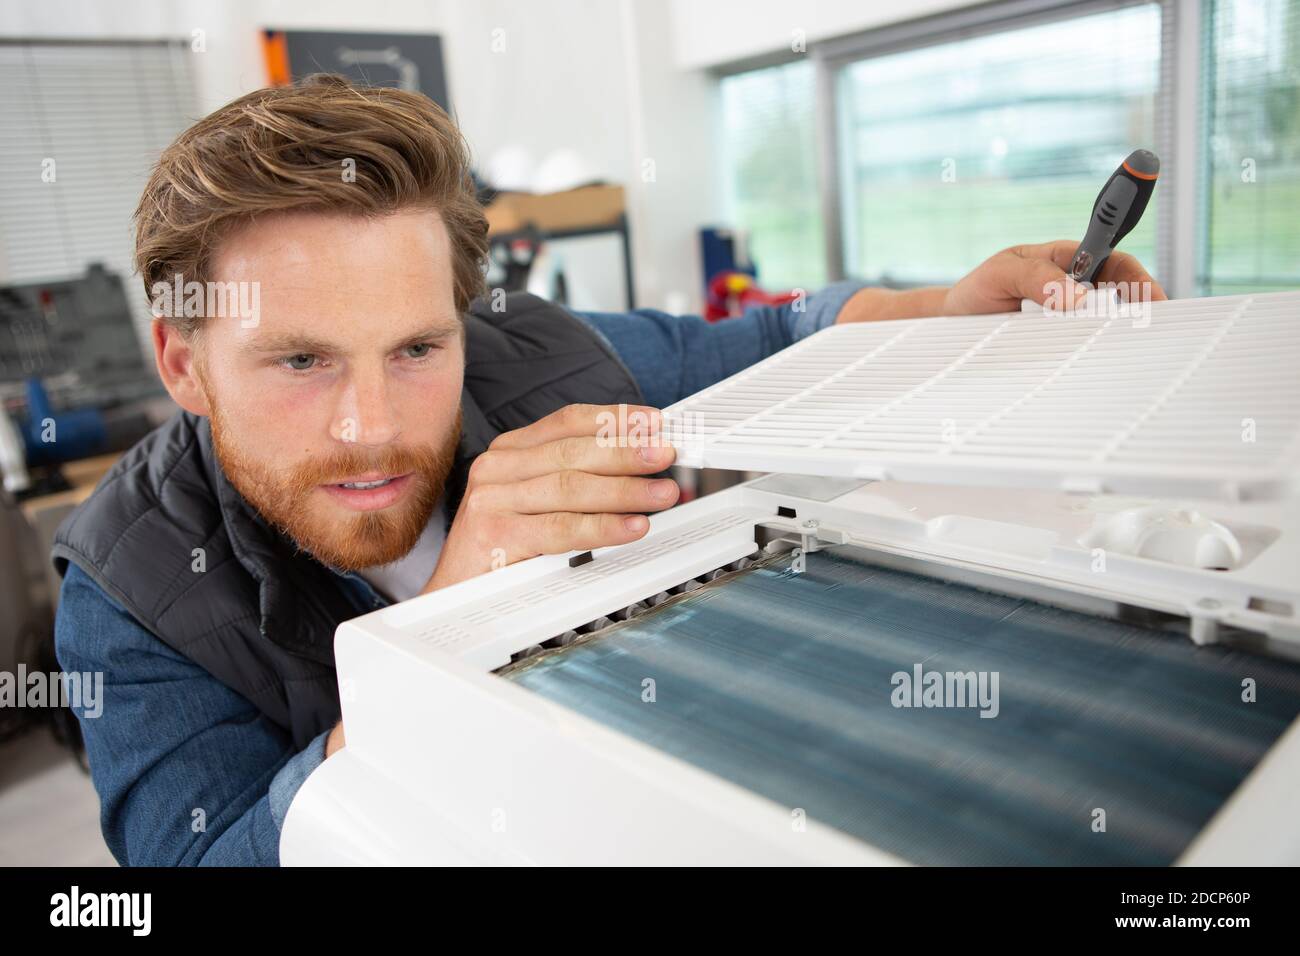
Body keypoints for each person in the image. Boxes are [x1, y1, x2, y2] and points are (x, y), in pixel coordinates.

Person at [52, 74, 1164, 865]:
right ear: (184, 362)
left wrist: (941, 307)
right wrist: (447, 621)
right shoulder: (128, 589)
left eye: (417, 347)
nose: (369, 425)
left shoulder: (529, 343)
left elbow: (770, 338)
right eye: (299, 359)